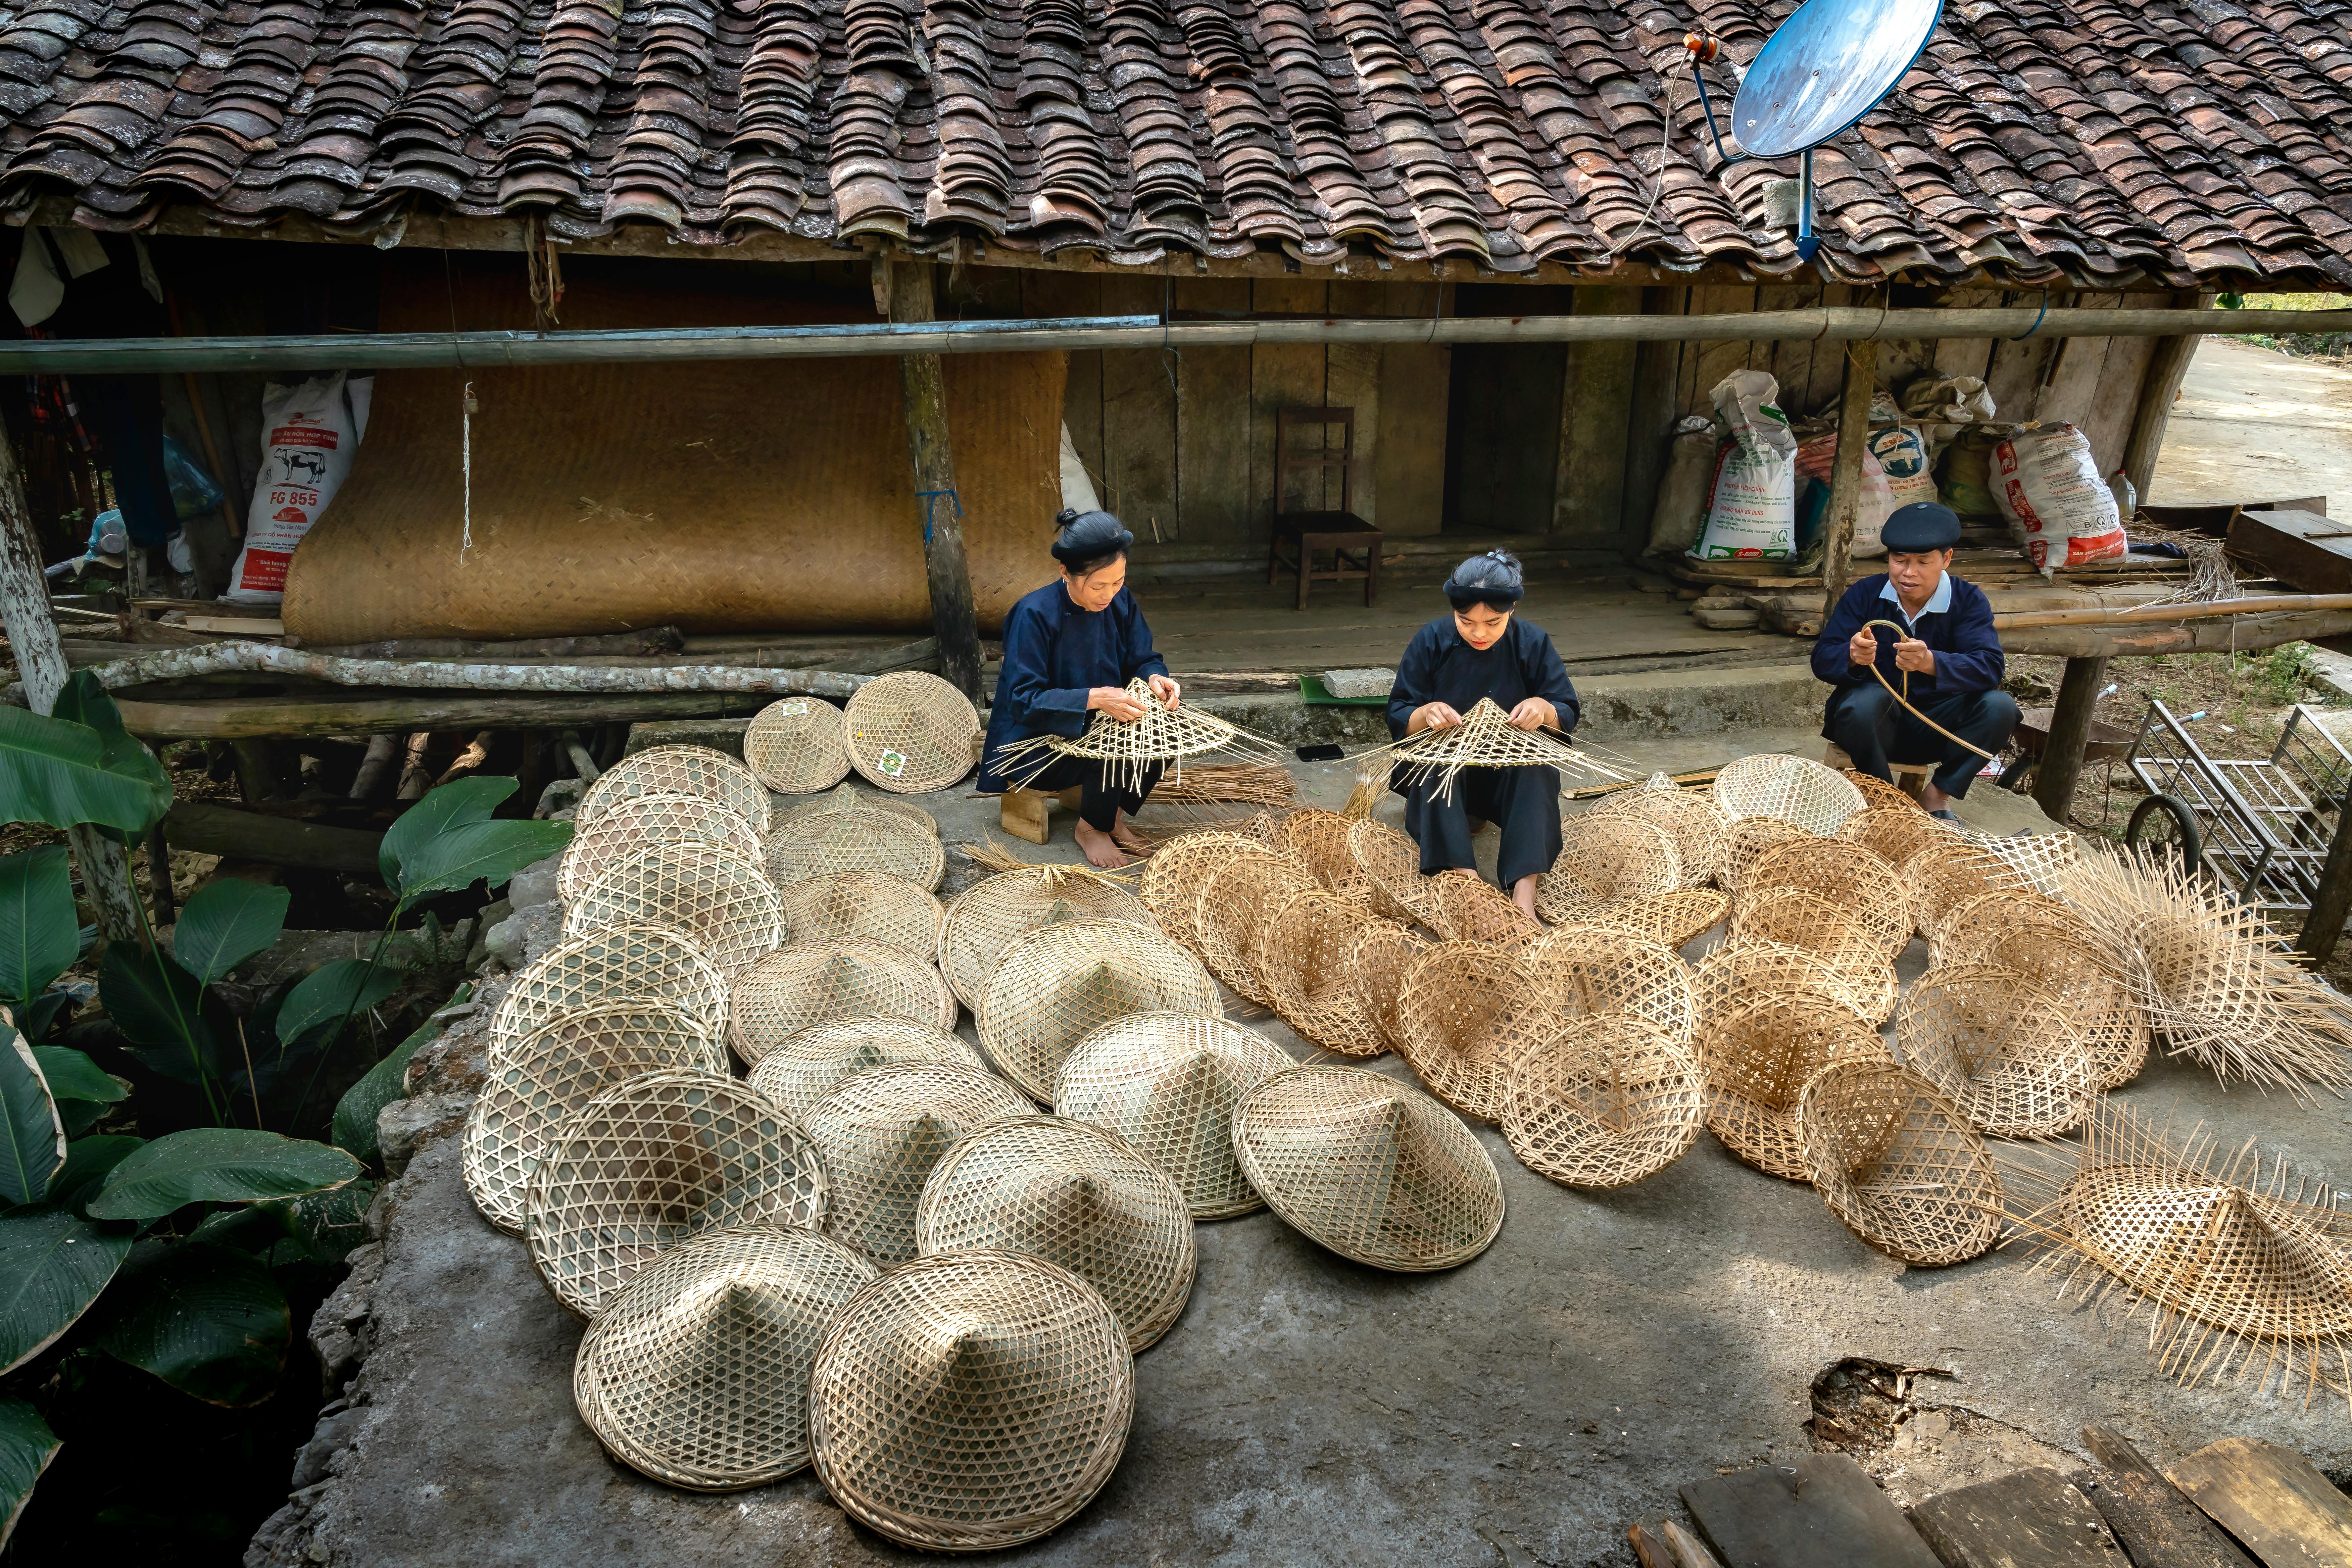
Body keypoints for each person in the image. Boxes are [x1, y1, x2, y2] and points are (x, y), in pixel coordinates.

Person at [978, 508, 1179, 868]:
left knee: (1167, 734)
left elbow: (1143, 657)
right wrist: (1096, 699)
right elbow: (1024, 700)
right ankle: (1091, 829)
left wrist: (1155, 677)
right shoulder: (1034, 615)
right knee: (1108, 745)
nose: (1109, 594)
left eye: (1117, 582)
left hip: (1099, 723)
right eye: (1099, 585)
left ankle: (1112, 816)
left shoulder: (1121, 602)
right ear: (1065, 573)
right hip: (1036, 742)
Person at [1386, 550, 1581, 920]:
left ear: (1512, 611)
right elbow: (1398, 712)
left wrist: (1543, 708)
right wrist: (1425, 714)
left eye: (1493, 622)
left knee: (1537, 768)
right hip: (1444, 772)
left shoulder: (1532, 643)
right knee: (1434, 766)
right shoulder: (1430, 640)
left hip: (1505, 774)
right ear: (1453, 612)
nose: (1479, 632)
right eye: (1466, 621)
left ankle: (1524, 897)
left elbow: (1566, 709)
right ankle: (1469, 886)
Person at [1811, 501, 2020, 822]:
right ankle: (1884, 801)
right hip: (1871, 730)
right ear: (1889, 559)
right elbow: (1822, 660)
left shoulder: (1967, 601)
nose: (1909, 573)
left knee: (2000, 707)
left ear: (1946, 559)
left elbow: (1990, 667)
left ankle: (1935, 798)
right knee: (1862, 704)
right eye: (1900, 561)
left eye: (1924, 562)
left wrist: (1931, 662)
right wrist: (1850, 656)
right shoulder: (1865, 594)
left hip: (1936, 729)